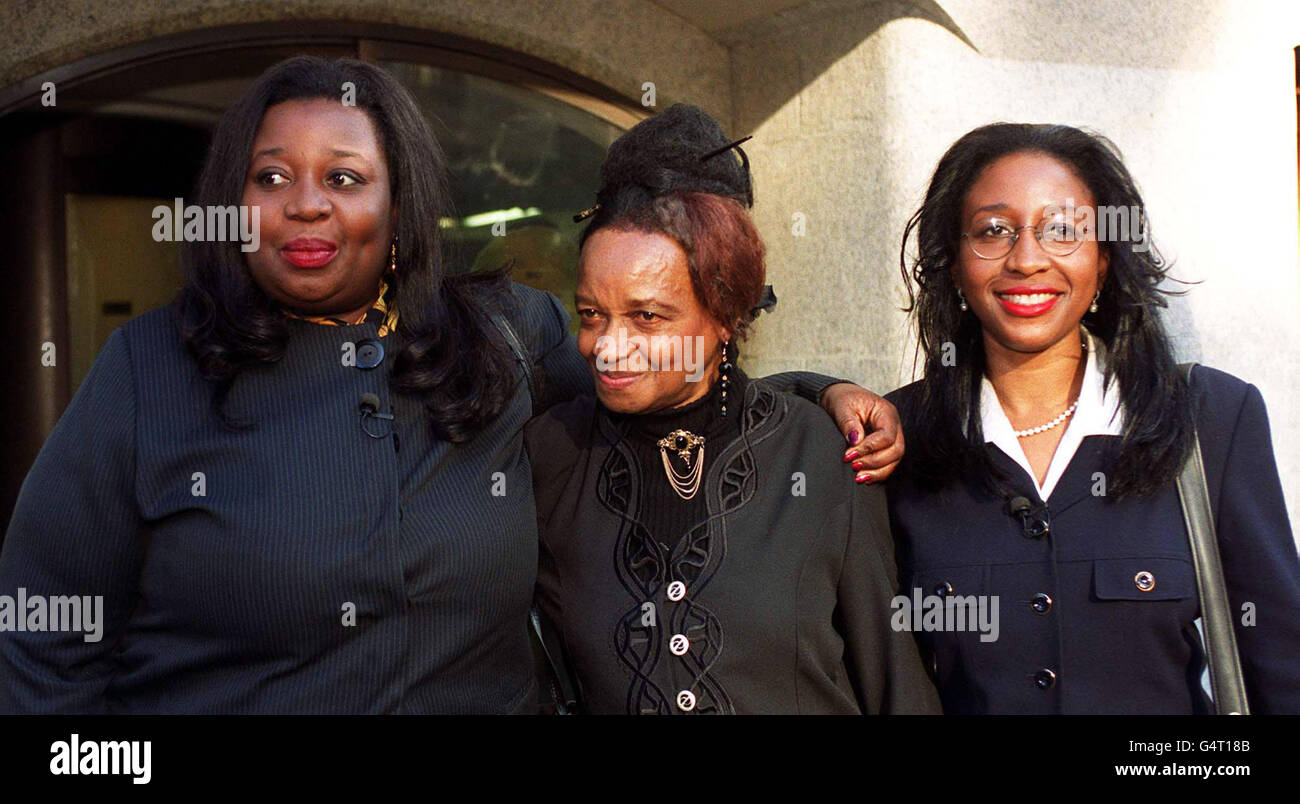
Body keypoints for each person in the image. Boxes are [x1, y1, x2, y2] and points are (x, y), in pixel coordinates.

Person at [0, 57, 902, 714]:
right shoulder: (151, 369)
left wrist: (817, 396)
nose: (305, 204)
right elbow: (42, 633)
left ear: (402, 205)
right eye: (269, 177)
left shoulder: (504, 332)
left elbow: (662, 375)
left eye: (345, 178)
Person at [526, 104, 941, 715]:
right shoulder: (551, 456)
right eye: (591, 314)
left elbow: (892, 679)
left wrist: (815, 390)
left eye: (648, 316)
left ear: (725, 315)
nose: (608, 347)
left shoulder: (822, 452)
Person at [886, 122, 1300, 714]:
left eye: (1062, 231)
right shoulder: (899, 435)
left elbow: (1283, 663)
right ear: (952, 264)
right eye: (993, 231)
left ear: (1104, 259)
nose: (1026, 260)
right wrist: (825, 391)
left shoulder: (1211, 418)